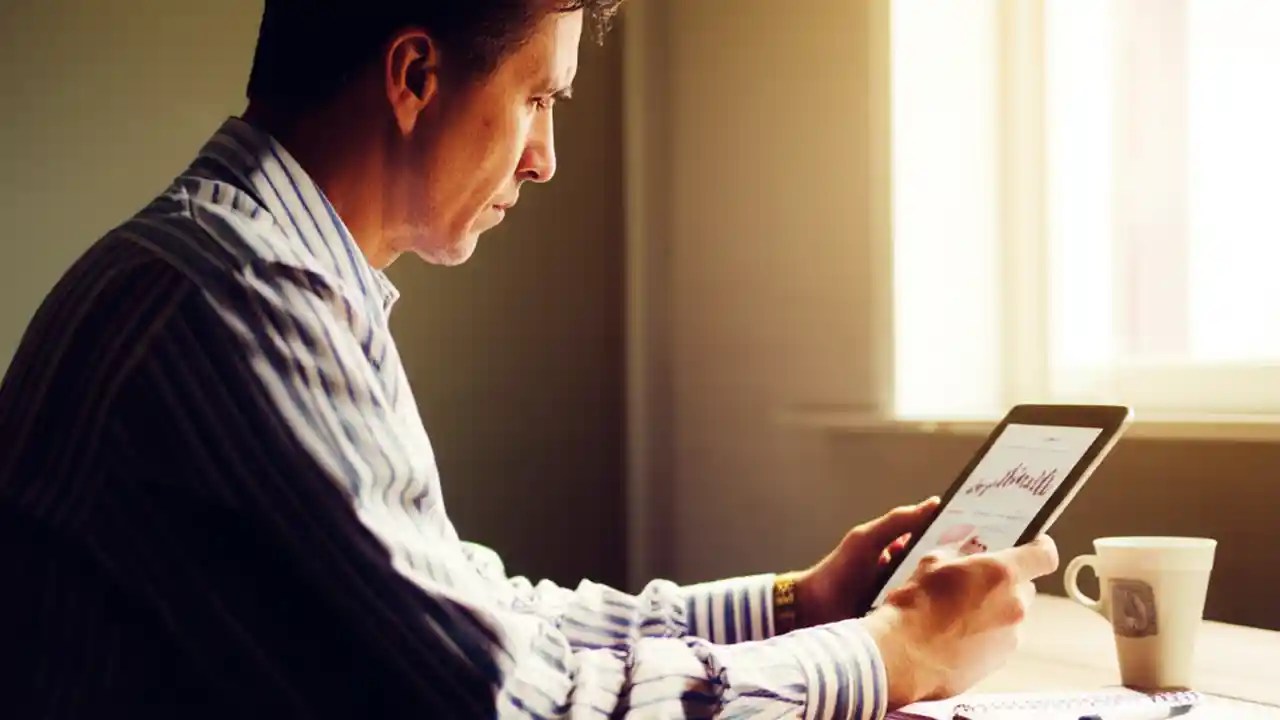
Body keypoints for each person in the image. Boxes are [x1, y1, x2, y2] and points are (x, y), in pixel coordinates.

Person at [0, 2, 1059, 718]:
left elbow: (475, 607)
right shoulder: (235, 301)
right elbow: (507, 701)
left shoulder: (260, 275)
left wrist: (795, 605)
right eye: (539, 99)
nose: (546, 158)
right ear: (414, 74)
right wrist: (889, 657)